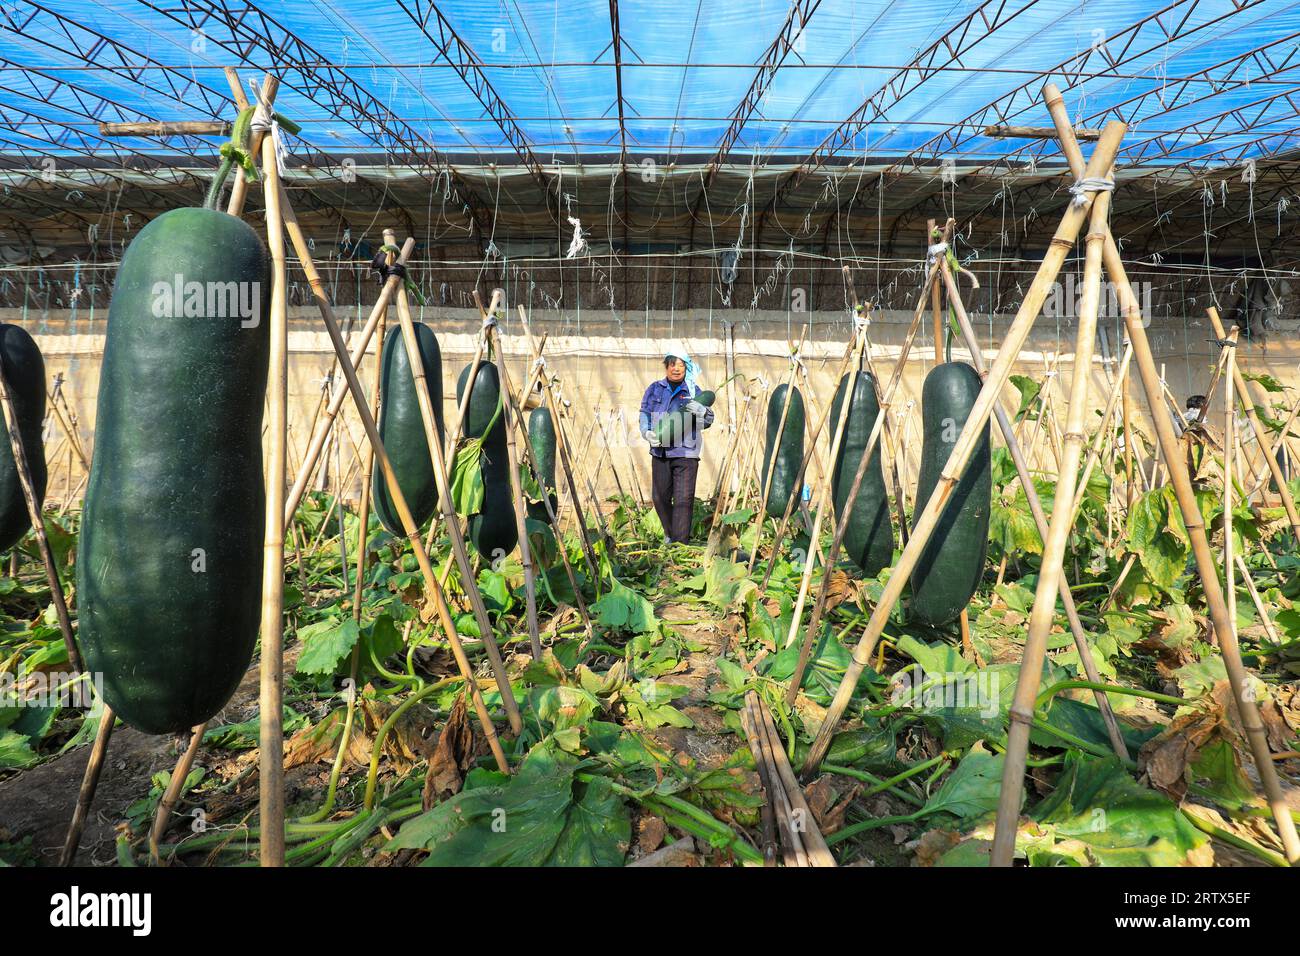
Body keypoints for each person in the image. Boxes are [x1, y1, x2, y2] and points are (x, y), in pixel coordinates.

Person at [639, 346, 714, 544]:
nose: (676, 369)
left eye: (681, 365)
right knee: (659, 497)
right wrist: (646, 432)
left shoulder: (693, 390)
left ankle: (680, 544)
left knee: (683, 500)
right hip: (660, 451)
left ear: (686, 368)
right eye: (672, 364)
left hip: (685, 452)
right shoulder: (655, 389)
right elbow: (644, 413)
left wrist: (703, 413)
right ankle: (670, 534)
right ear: (666, 366)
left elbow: (707, 421)